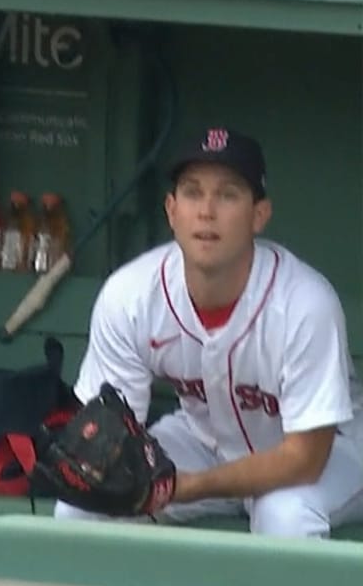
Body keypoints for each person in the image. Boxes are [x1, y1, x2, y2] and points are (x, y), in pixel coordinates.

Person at [56, 127, 363, 538]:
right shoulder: (130, 296)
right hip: (205, 441)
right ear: (171, 209)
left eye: (228, 194)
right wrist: (107, 468)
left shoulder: (305, 303)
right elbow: (107, 430)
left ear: (259, 215)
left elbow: (305, 458)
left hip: (331, 453)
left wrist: (186, 487)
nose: (206, 211)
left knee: (285, 516)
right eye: (192, 192)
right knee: (80, 509)